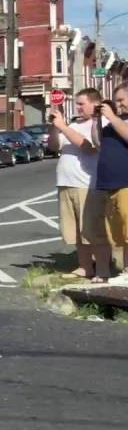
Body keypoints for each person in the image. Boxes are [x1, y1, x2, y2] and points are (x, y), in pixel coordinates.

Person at [50, 89, 110, 281]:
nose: (77, 107)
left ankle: (102, 269)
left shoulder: (100, 123)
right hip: (66, 183)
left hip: (87, 184)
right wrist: (54, 126)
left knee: (93, 231)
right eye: (76, 104)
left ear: (95, 104)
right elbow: (53, 146)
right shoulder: (73, 124)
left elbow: (90, 147)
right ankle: (85, 267)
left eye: (81, 104)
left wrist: (64, 127)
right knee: (76, 232)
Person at [95, 83, 128, 284]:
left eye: (121, 100)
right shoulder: (115, 121)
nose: (118, 105)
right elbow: (98, 141)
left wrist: (112, 117)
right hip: (111, 185)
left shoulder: (118, 121)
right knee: (119, 234)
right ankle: (125, 271)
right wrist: (97, 119)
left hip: (126, 182)